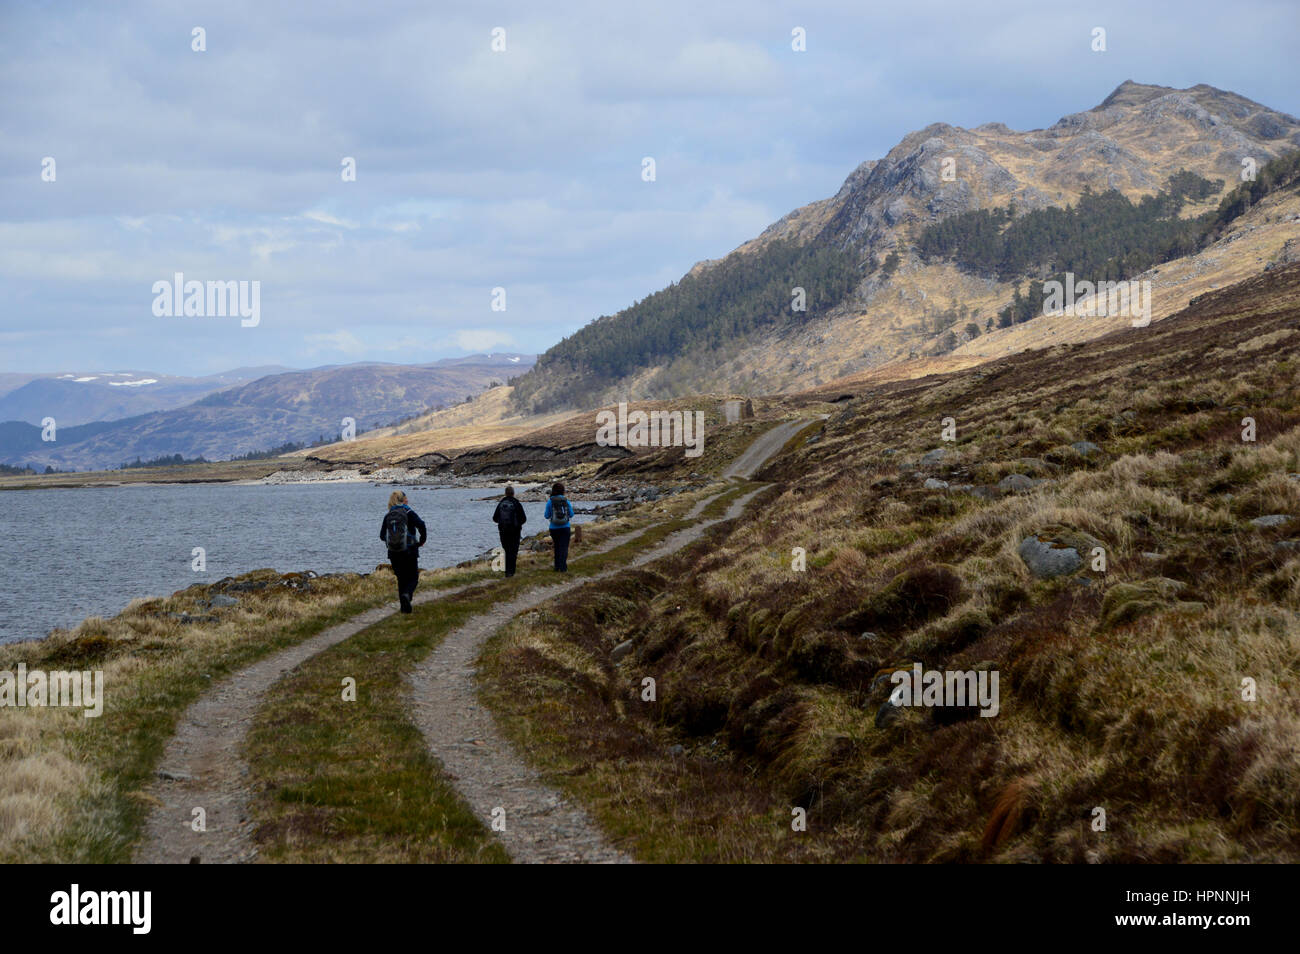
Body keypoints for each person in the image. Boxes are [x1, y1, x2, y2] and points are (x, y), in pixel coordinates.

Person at [380, 490, 426, 613]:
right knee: (413, 577)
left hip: (393, 552)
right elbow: (421, 525)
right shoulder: (408, 512)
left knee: (401, 579)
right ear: (402, 499)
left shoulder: (388, 515)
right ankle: (407, 595)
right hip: (410, 550)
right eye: (406, 497)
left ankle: (404, 608)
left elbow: (381, 535)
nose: (408, 500)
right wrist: (421, 541)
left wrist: (392, 543)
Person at [491, 484, 527, 577]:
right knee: (513, 551)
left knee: (506, 551)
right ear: (513, 493)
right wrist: (518, 524)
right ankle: (512, 571)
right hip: (515, 531)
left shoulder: (501, 504)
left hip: (503, 531)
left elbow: (494, 518)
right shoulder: (516, 503)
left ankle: (507, 572)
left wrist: (502, 523)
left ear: (505, 493)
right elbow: (523, 518)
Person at [544, 481, 574, 572]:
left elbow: (546, 515)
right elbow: (571, 514)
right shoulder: (566, 501)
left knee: (557, 547)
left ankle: (557, 567)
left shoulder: (550, 501)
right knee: (564, 547)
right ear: (562, 491)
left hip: (554, 528)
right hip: (565, 527)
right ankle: (563, 567)